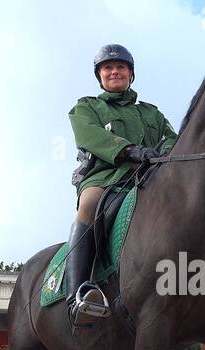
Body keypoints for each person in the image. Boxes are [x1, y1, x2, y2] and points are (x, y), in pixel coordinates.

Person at [65, 43, 177, 328]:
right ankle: (78, 293)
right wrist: (129, 150)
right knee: (89, 205)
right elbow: (88, 136)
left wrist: (165, 151)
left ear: (131, 74)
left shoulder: (151, 113)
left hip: (148, 177)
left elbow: (172, 138)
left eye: (121, 67)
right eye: (108, 68)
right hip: (105, 178)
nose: (115, 71)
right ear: (100, 75)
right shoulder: (87, 106)